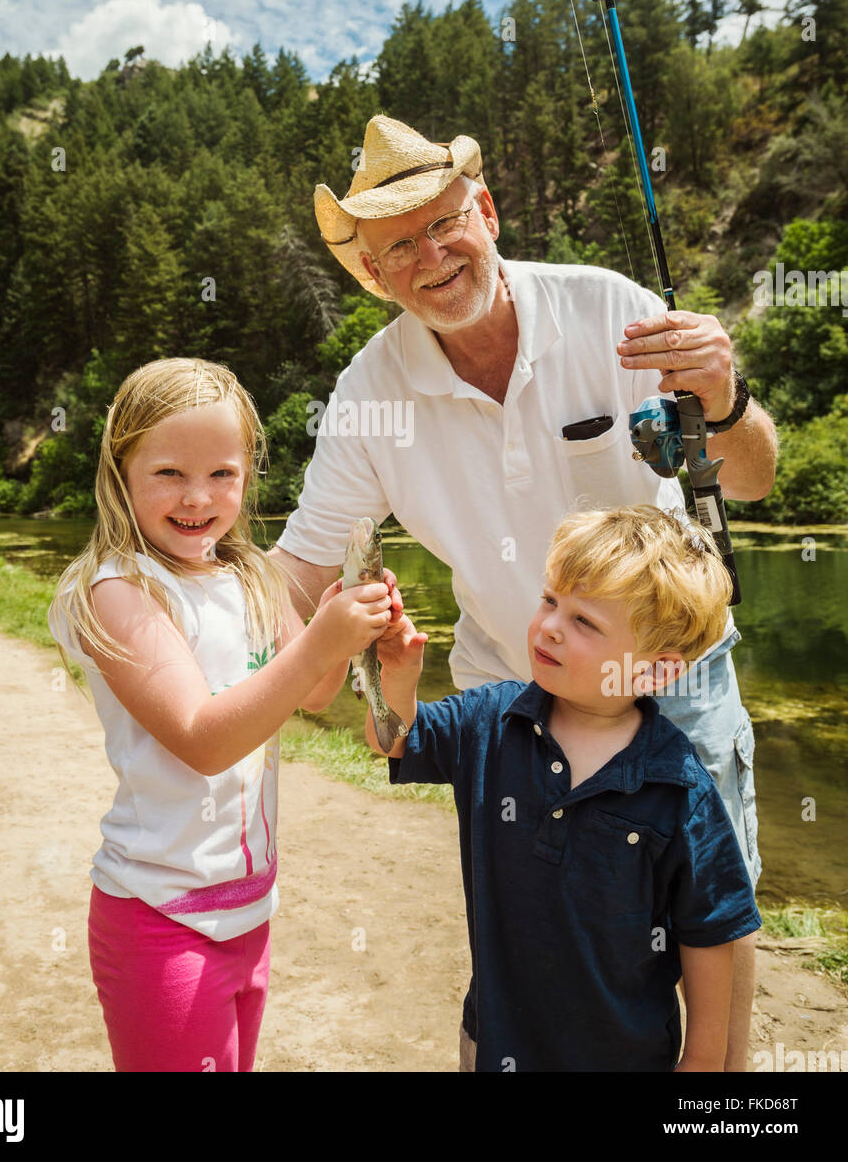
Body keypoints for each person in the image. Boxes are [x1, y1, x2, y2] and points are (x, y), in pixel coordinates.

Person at [272, 113, 777, 1069]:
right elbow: (301, 571)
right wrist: (201, 629)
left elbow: (748, 479)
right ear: (375, 276)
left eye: (443, 223)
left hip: (679, 675)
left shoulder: (606, 309)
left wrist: (724, 397)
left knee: (712, 931)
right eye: (398, 246)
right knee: (529, 923)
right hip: (517, 701)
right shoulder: (366, 392)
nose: (430, 256)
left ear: (488, 211)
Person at [48, 357, 391, 1072]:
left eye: (222, 474)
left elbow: (315, 693)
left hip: (249, 911)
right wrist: (317, 646)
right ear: (120, 471)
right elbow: (202, 741)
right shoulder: (117, 590)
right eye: (169, 472)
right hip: (160, 917)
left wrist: (343, 623)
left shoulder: (250, 577)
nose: (197, 496)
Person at [369, 505, 763, 1073]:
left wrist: (702, 1058)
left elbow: (711, 932)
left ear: (654, 672)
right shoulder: (490, 721)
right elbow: (394, 740)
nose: (550, 625)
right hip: (494, 1045)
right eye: (550, 600)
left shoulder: (680, 789)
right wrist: (398, 677)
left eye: (585, 622)